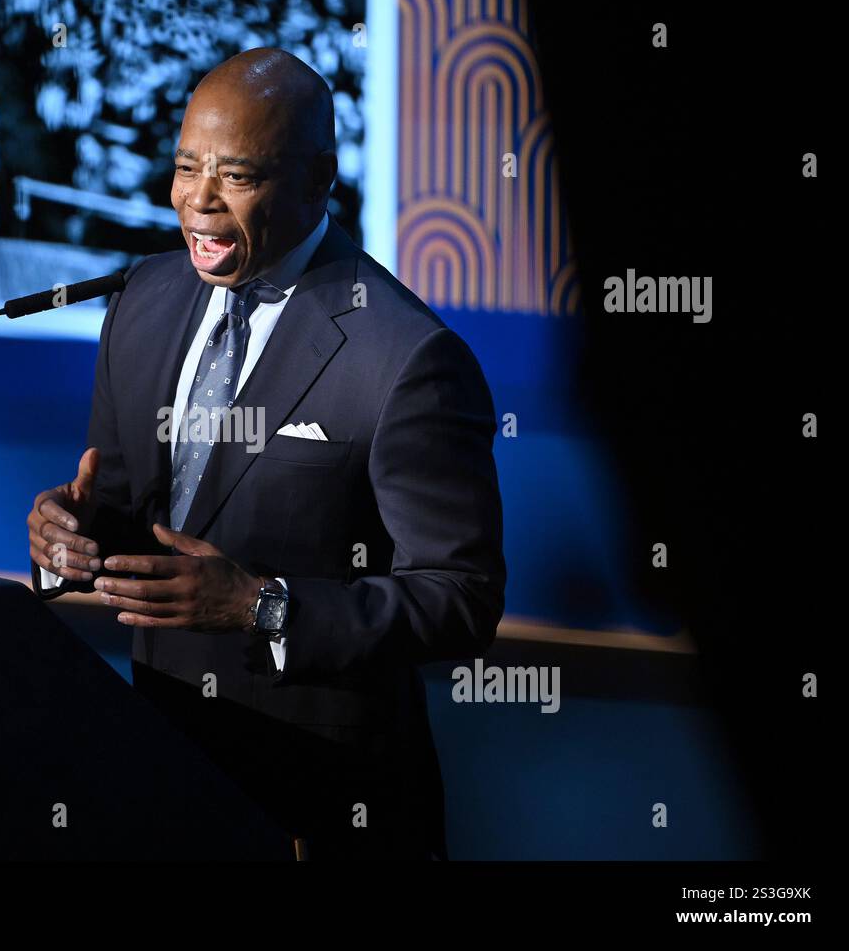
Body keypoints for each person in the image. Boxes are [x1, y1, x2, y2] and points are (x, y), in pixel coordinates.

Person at [27, 48, 505, 860]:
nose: (197, 202)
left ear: (318, 179)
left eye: (237, 177)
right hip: (161, 775)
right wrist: (66, 537)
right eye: (185, 168)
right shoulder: (145, 297)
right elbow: (140, 510)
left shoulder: (408, 354)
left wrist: (262, 607)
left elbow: (462, 596)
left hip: (324, 807)